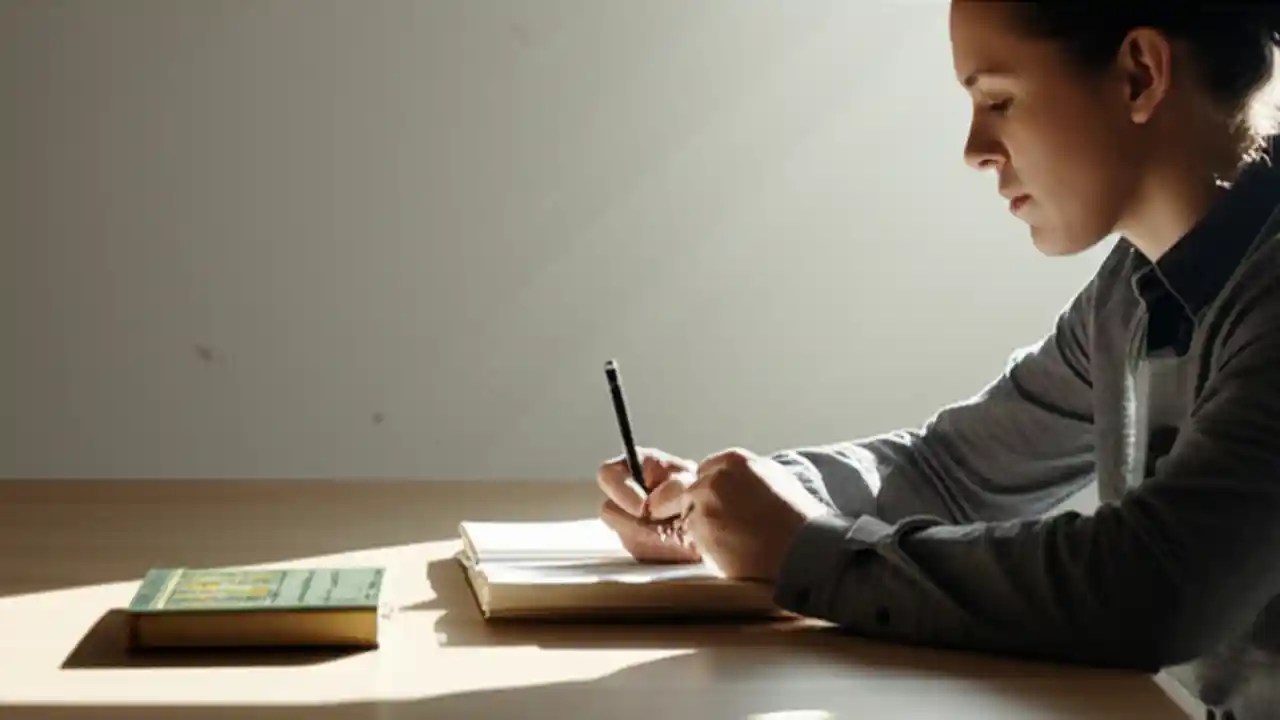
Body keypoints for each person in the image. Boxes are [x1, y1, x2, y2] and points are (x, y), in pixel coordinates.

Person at [596, 3, 1280, 719]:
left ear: (1139, 75)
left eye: (998, 100)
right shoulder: (1129, 293)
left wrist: (808, 550)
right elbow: (951, 471)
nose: (975, 149)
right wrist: (731, 501)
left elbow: (1152, 588)